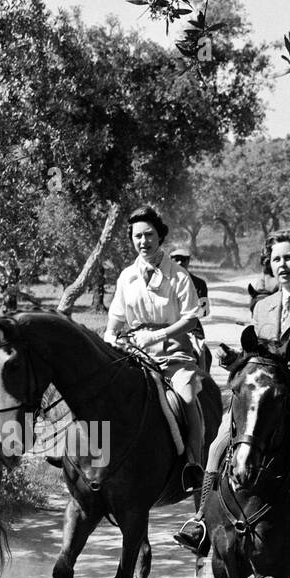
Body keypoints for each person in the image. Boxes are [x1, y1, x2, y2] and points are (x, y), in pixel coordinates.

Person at [175, 229, 290, 565]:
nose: (282, 265)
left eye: (288, 258)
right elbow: (256, 356)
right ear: (269, 266)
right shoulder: (263, 306)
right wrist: (235, 361)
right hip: (264, 403)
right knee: (217, 445)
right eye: (275, 260)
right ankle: (200, 521)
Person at [104, 207, 206, 493]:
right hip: (134, 352)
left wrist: (158, 335)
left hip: (173, 352)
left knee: (186, 396)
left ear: (160, 236)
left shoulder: (179, 276)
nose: (143, 241)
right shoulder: (126, 277)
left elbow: (191, 319)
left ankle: (192, 464)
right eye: (137, 236)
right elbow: (116, 318)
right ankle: (95, 459)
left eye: (149, 234)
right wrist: (110, 338)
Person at [169, 248, 211, 373]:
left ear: (188, 261)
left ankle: (203, 381)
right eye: (176, 259)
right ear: (171, 260)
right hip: (167, 325)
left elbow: (204, 311)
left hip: (192, 328)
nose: (180, 262)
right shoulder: (162, 282)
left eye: (183, 259)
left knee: (201, 351)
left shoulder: (199, 283)